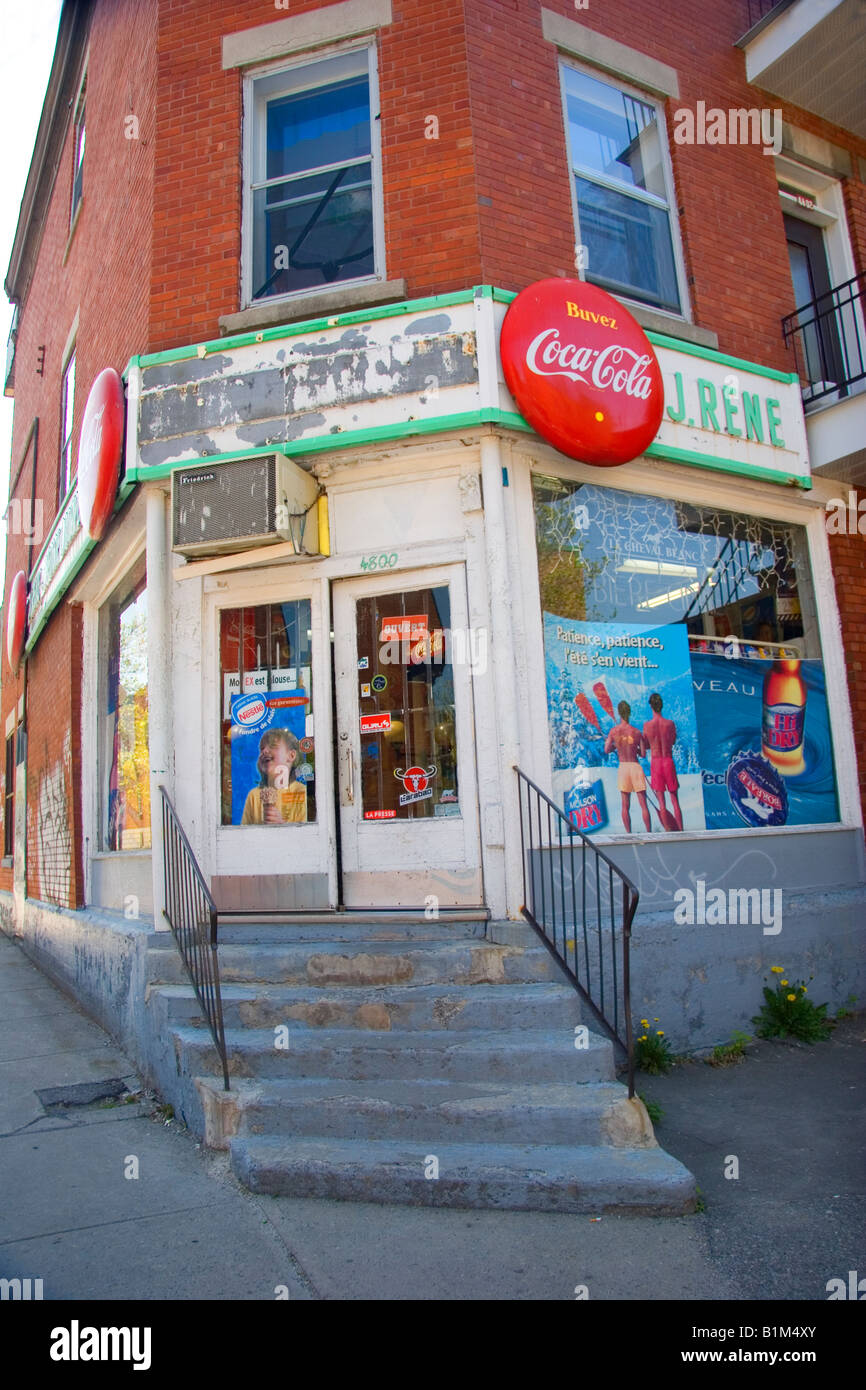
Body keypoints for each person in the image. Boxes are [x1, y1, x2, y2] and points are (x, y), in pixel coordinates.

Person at [241, 729, 307, 824]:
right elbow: (244, 833)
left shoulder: (301, 792)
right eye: (262, 748)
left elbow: (306, 834)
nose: (264, 751)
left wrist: (281, 825)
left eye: (273, 746)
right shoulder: (254, 796)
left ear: (291, 755)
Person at [603, 700, 651, 833]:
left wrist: (615, 746)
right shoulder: (636, 732)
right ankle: (649, 832)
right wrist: (633, 749)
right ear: (629, 713)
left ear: (619, 713)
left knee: (625, 805)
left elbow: (606, 749)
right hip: (635, 767)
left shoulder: (614, 731)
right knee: (643, 805)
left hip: (623, 767)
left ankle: (628, 834)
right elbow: (642, 754)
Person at [643, 692, 683, 832]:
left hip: (656, 763)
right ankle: (681, 831)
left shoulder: (647, 725)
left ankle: (668, 831)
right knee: (675, 801)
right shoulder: (670, 724)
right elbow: (672, 741)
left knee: (662, 803)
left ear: (651, 706)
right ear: (662, 705)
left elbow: (646, 745)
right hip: (668, 760)